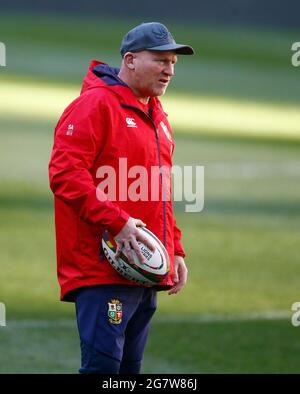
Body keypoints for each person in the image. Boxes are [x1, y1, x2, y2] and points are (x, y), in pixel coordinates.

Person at [48, 21, 194, 374]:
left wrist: (173, 247)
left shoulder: (156, 113)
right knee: (102, 371)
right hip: (103, 268)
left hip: (144, 269)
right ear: (130, 60)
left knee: (128, 373)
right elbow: (65, 174)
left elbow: (159, 189)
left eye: (173, 62)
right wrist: (118, 223)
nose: (169, 70)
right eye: (160, 60)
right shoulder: (94, 105)